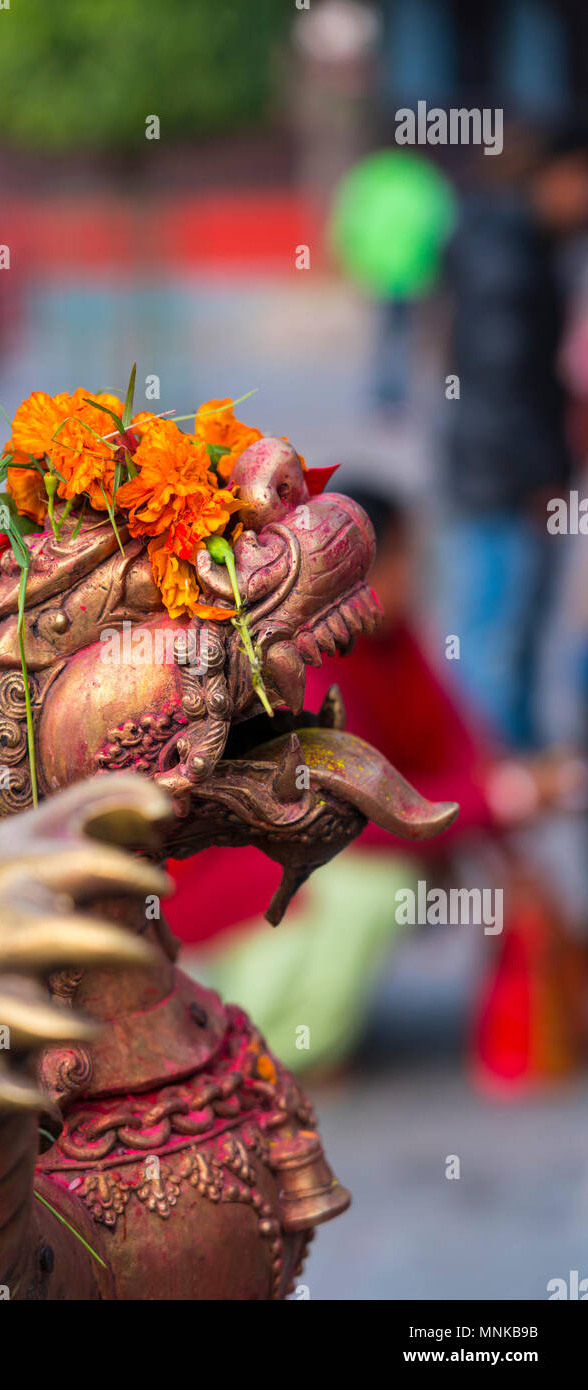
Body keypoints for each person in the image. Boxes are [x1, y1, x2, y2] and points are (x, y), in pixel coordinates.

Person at [170, 484, 585, 1075]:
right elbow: (350, 815)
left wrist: (506, 845)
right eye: (407, 559)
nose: (418, 575)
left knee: (403, 873)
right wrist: (502, 800)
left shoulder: (393, 636)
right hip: (230, 887)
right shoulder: (302, 659)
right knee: (381, 886)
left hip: (305, 861)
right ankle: (274, 1051)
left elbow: (456, 747)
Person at [438, 124, 588, 748]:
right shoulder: (508, 258)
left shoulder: (522, 244)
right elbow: (500, 388)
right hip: (504, 480)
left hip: (508, 472)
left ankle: (511, 768)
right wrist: (534, 477)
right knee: (494, 638)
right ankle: (488, 772)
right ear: (556, 175)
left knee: (515, 634)